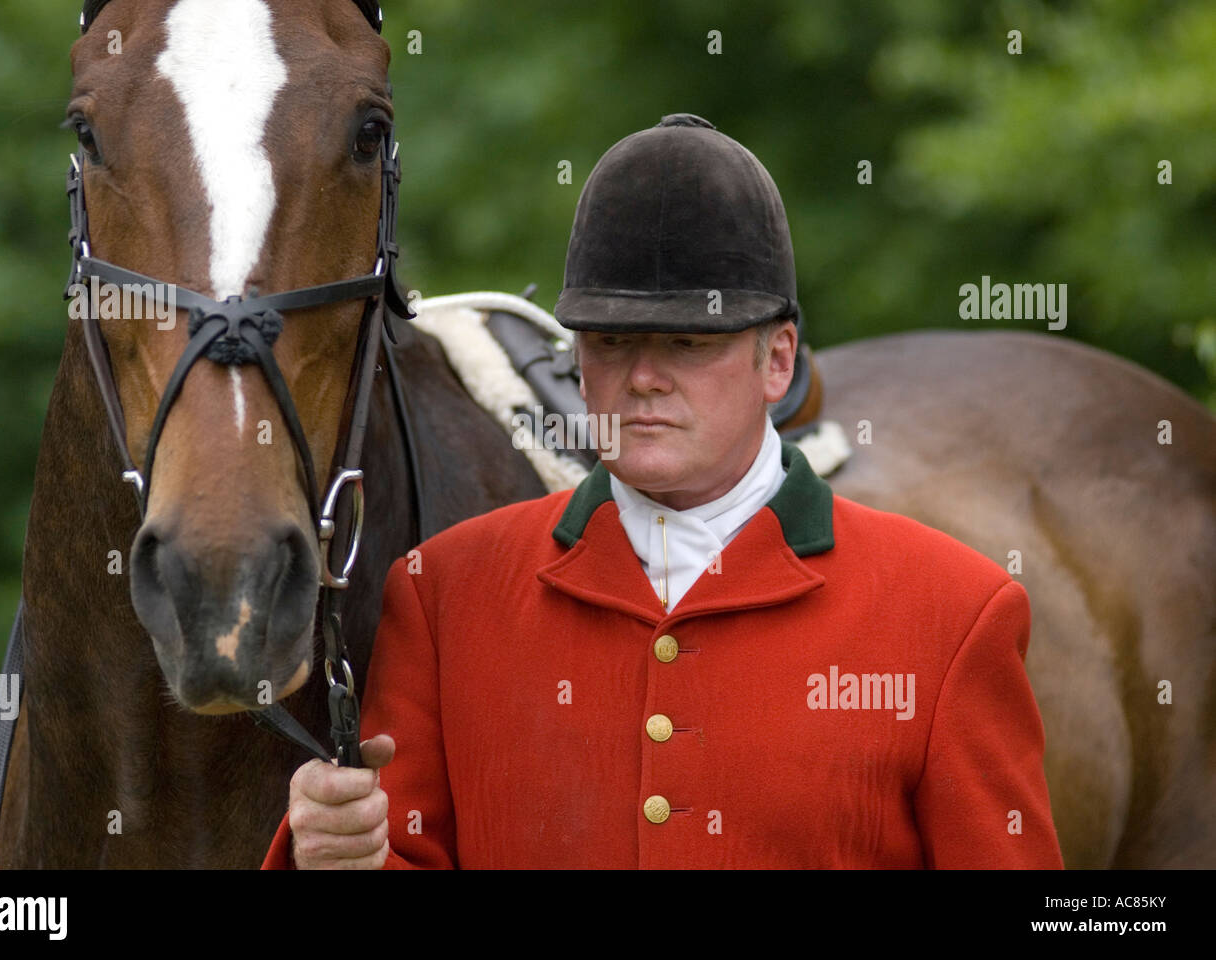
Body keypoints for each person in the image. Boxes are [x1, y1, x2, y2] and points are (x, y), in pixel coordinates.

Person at [261, 114, 1063, 869]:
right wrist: (340, 855)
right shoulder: (442, 594)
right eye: (612, 343)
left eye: (687, 342)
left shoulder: (954, 614)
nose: (644, 378)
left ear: (777, 361)